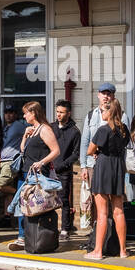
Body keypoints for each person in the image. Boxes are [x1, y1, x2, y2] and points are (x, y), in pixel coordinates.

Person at [10, 100, 62, 251]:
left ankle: (35, 237)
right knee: (24, 204)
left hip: (38, 175)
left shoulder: (45, 129)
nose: (24, 115)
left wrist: (41, 162)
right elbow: (23, 150)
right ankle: (25, 236)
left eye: (26, 112)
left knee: (36, 206)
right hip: (27, 173)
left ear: (33, 113)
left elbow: (55, 151)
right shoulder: (33, 129)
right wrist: (25, 137)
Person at [82, 99, 130, 259]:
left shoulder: (103, 129)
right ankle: (123, 250)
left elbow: (89, 150)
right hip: (118, 166)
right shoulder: (124, 130)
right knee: (119, 211)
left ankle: (98, 251)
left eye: (103, 110)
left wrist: (96, 151)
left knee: (102, 213)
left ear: (110, 112)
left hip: (103, 166)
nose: (101, 113)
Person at [52, 101, 81, 240]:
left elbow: (76, 154)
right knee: (46, 200)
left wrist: (62, 165)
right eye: (57, 111)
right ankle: (49, 226)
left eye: (62, 112)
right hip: (49, 170)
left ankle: (65, 229)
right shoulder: (51, 128)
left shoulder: (74, 132)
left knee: (63, 200)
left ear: (68, 113)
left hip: (63, 171)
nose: (58, 114)